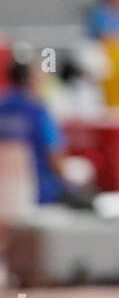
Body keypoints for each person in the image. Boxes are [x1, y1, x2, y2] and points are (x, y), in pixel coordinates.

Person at [0, 58, 68, 208]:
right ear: (30, 79)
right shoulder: (37, 111)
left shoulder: (2, 106)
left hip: (5, 195)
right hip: (40, 192)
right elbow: (55, 157)